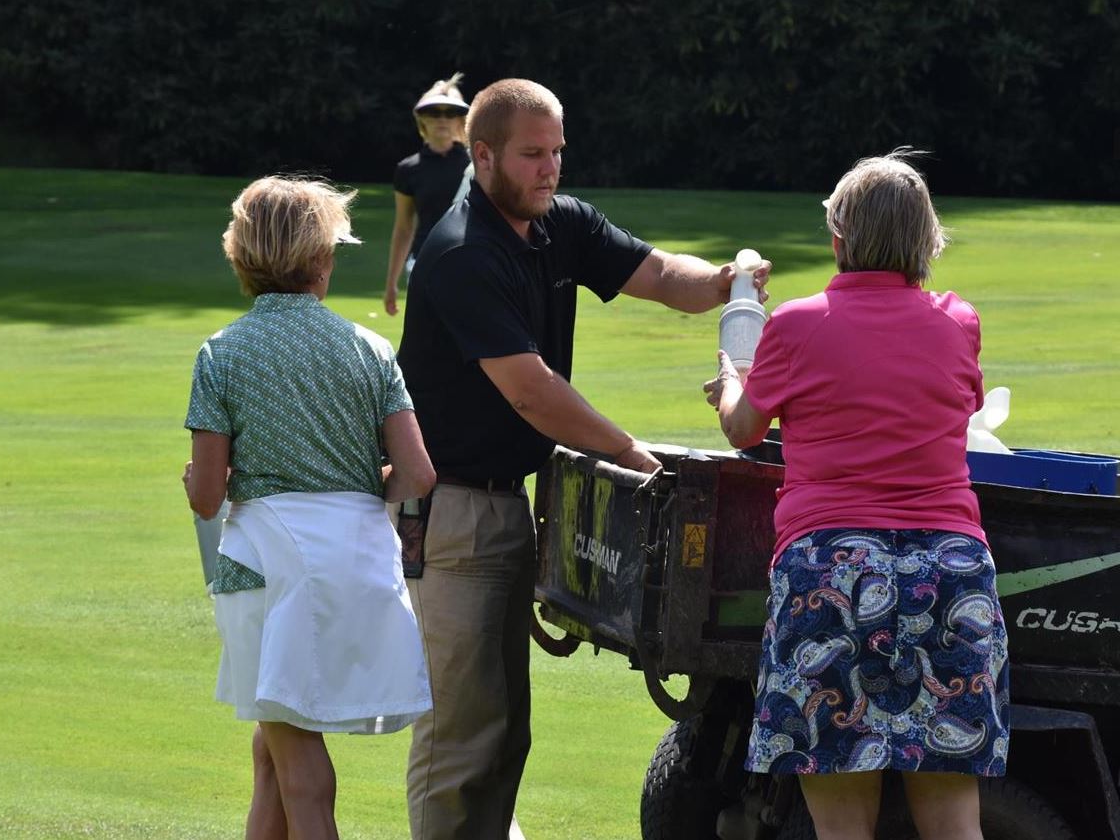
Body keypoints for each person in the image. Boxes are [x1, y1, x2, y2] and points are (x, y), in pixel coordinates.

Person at [395, 78, 770, 840]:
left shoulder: (558, 224)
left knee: (505, 732)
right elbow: (532, 393)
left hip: (506, 504)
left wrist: (728, 283)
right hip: (452, 512)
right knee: (461, 735)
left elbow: (661, 275)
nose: (550, 168)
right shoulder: (463, 251)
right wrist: (631, 453)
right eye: (532, 154)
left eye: (558, 151)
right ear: (483, 154)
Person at [703, 151, 1009, 840]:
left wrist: (732, 377)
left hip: (828, 576)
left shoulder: (796, 325)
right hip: (949, 577)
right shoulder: (958, 320)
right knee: (955, 825)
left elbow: (743, 428)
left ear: (839, 238)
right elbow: (962, 401)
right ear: (926, 240)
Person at [183, 175, 436, 840]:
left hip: (263, 574)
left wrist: (196, 484)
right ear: (322, 259)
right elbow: (416, 473)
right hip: (358, 567)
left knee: (300, 769)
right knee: (272, 756)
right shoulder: (370, 349)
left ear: (241, 257)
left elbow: (208, 496)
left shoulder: (222, 354)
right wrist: (357, 496)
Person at [384, 72, 473, 317]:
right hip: (424, 261)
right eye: (434, 112)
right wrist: (391, 283)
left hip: (472, 261)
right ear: (422, 118)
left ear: (460, 120)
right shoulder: (408, 169)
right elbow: (403, 227)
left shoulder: (477, 164)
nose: (442, 119)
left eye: (450, 112)